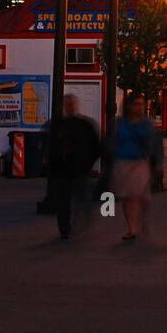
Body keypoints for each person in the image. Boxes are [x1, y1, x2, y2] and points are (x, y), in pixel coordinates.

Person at [44, 94, 102, 239]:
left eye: (71, 104)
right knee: (63, 200)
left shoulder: (84, 125)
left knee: (81, 197)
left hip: (79, 169)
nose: (69, 107)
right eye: (67, 104)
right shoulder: (56, 124)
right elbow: (49, 145)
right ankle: (65, 228)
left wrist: (88, 164)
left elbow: (96, 146)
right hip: (61, 170)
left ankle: (78, 219)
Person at [108, 92, 163, 240]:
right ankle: (131, 227)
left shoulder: (147, 124)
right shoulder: (118, 123)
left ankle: (142, 221)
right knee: (128, 197)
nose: (140, 108)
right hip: (122, 161)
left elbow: (157, 144)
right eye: (137, 104)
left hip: (140, 162)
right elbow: (111, 142)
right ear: (128, 106)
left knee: (139, 196)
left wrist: (158, 162)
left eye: (142, 105)